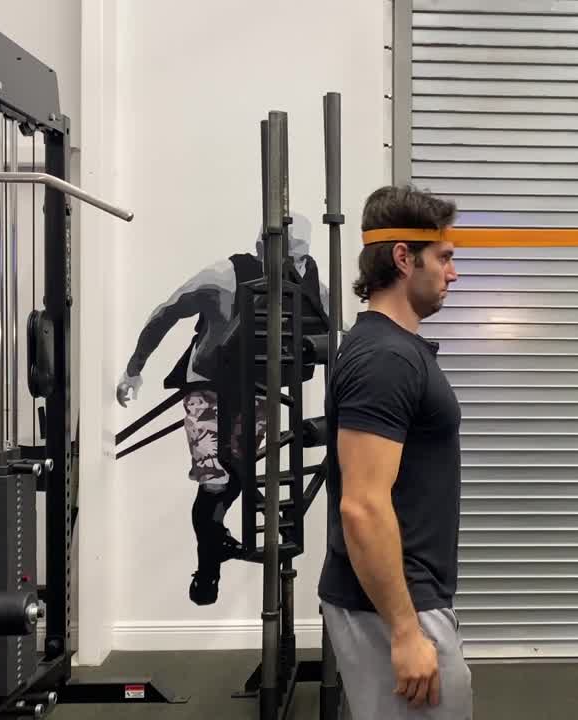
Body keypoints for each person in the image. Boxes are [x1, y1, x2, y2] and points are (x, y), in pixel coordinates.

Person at [116, 214, 329, 605]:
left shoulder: (312, 287)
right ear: (263, 248)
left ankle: (211, 552)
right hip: (209, 386)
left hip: (259, 391)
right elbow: (167, 311)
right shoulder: (222, 277)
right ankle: (210, 566)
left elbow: (336, 336)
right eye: (286, 258)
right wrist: (134, 369)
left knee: (236, 477)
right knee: (213, 477)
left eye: (299, 260)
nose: (292, 268)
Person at [318, 185, 472, 718]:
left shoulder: (392, 349)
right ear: (404, 258)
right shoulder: (386, 358)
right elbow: (362, 505)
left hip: (404, 598)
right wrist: (405, 632)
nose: (453, 273)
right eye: (444, 258)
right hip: (395, 606)